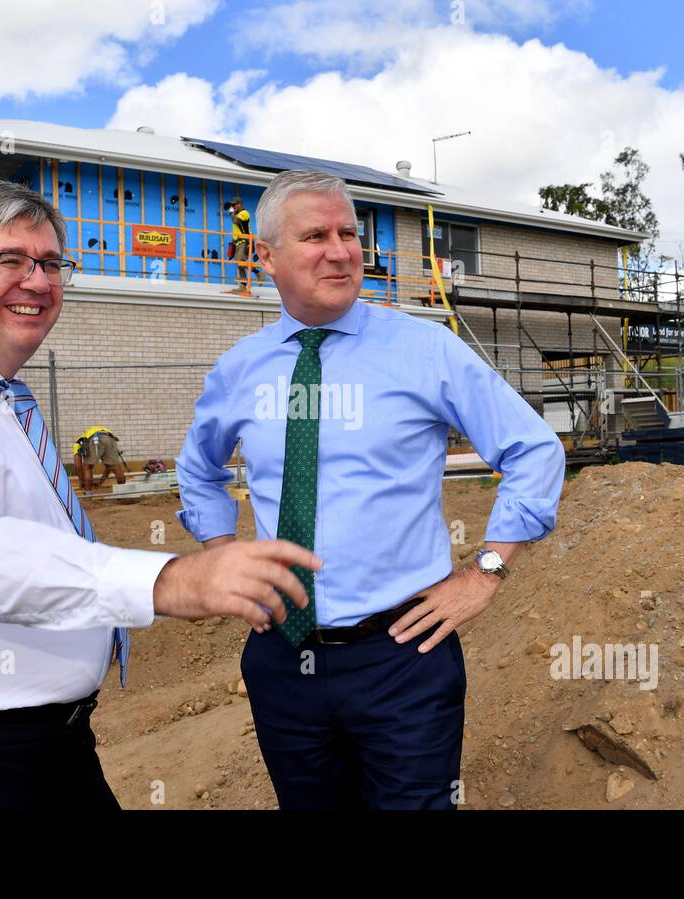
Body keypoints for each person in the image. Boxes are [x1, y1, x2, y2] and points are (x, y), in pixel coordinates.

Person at [0, 180, 318, 810]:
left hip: (41, 750)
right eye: (10, 260)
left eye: (52, 263)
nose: (37, 281)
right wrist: (168, 581)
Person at [175, 170, 565, 810]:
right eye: (315, 236)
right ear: (265, 256)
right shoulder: (240, 368)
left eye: (348, 233)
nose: (340, 250)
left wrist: (487, 570)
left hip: (404, 656)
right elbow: (197, 469)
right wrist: (222, 554)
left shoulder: (424, 349)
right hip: (282, 658)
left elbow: (534, 449)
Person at [224, 197, 261, 294]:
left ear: (240, 204)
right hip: (238, 242)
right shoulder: (237, 213)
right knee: (239, 265)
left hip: (245, 241)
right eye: (233, 205)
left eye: (235, 204)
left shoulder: (244, 213)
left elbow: (235, 221)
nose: (234, 206)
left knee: (241, 262)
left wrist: (232, 211)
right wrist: (233, 241)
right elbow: (237, 229)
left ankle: (258, 273)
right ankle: (243, 287)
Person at [72, 425, 126, 490]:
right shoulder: (99, 431)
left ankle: (88, 495)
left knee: (87, 467)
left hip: (95, 439)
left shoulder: (78, 442)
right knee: (115, 466)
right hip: (110, 438)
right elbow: (108, 467)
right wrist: (100, 482)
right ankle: (123, 491)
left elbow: (78, 466)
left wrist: (81, 480)